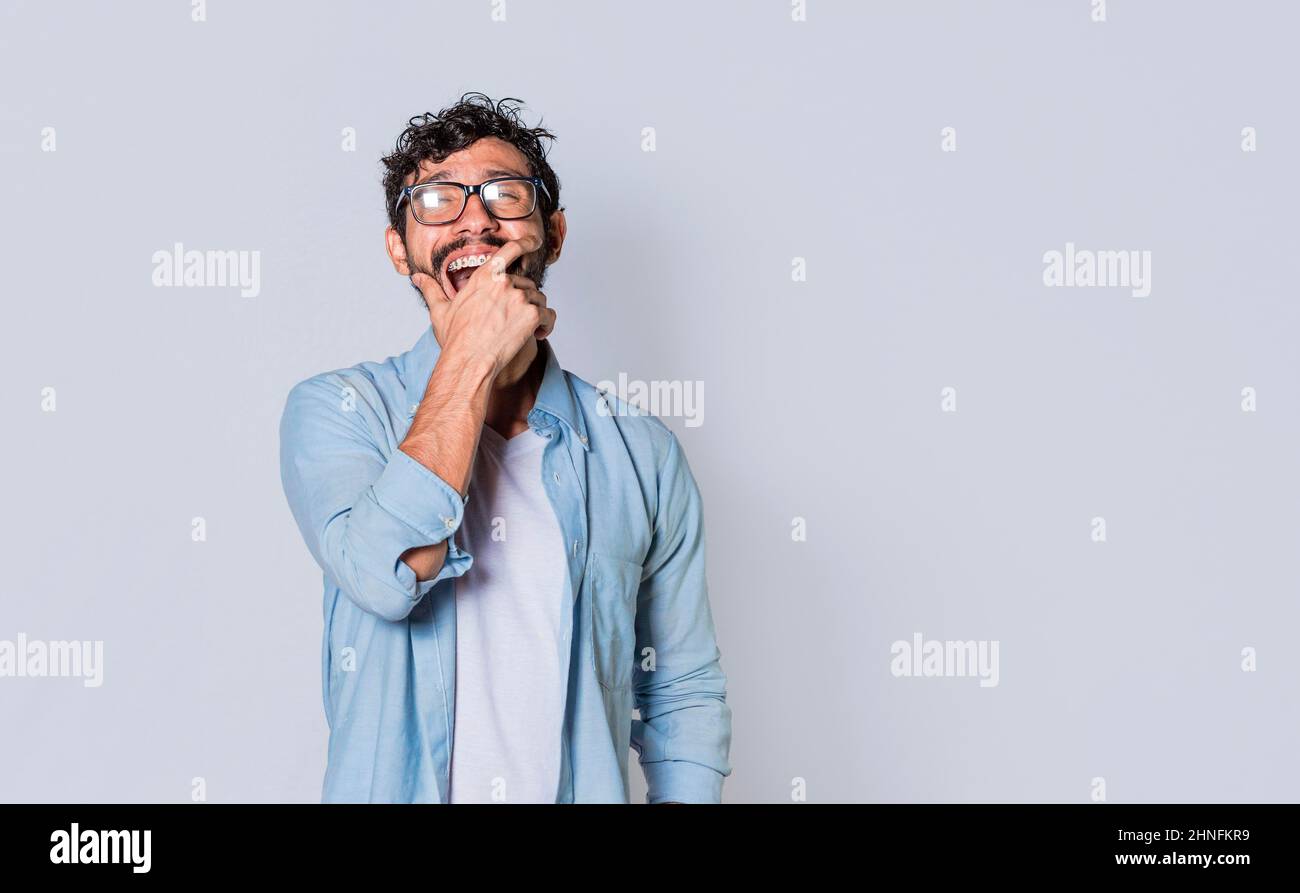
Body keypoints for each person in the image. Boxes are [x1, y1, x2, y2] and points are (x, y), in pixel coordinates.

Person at [278, 93, 732, 803]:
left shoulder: (640, 452)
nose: (475, 220)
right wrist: (470, 354)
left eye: (504, 195)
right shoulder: (338, 411)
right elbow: (386, 571)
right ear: (400, 248)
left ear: (552, 232)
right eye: (436, 201)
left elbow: (680, 692)